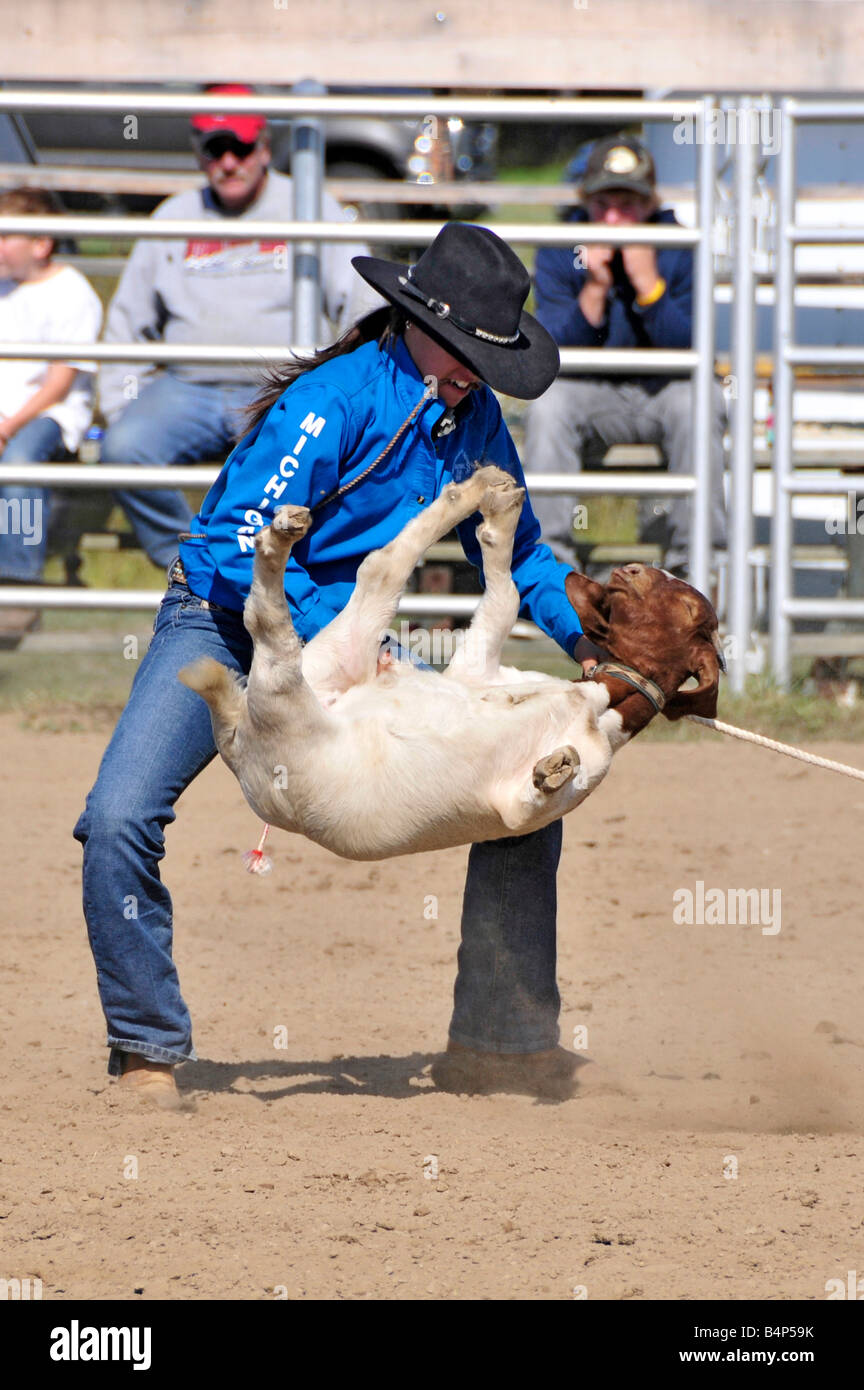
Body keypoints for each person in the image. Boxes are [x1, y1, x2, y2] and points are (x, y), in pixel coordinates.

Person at [73, 221, 606, 1109]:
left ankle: (501, 1041)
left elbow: (522, 549)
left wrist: (581, 640)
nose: (476, 373)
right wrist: (350, 637)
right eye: (468, 351)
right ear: (417, 324)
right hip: (222, 624)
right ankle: (145, 1047)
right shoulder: (333, 400)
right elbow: (241, 540)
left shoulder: (472, 418)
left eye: (487, 356)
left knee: (527, 789)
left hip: (354, 639)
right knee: (118, 817)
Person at [99, 84, 375, 572]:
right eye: (214, 149)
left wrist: (343, 387)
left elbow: (361, 300)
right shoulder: (175, 215)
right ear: (199, 154)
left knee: (309, 459)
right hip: (187, 387)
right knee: (124, 447)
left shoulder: (310, 205)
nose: (228, 161)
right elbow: (128, 319)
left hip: (277, 384)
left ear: (264, 149)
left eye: (241, 148)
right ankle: (187, 565)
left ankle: (277, 573)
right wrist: (120, 403)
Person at [523, 134, 727, 577]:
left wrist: (650, 288)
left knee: (700, 402)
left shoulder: (681, 243)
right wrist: (595, 289)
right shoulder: (561, 245)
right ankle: (548, 569)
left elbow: (697, 345)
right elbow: (549, 349)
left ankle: (697, 568)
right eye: (603, 205)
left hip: (663, 392)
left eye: (628, 204)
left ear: (651, 204)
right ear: (585, 202)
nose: (614, 219)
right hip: (588, 393)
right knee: (547, 406)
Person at [0, 187, 103, 647]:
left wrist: (8, 424)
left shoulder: (72, 292)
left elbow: (59, 382)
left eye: (6, 237)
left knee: (19, 464)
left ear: (41, 244)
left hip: (48, 416)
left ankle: (18, 585)